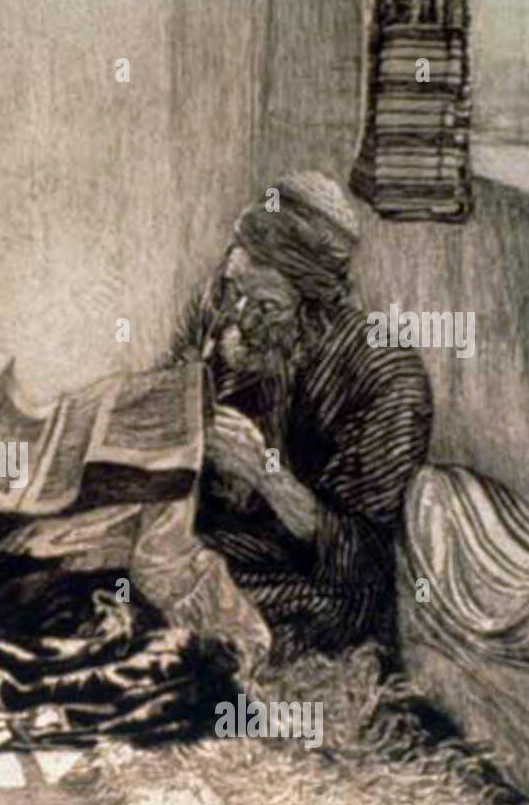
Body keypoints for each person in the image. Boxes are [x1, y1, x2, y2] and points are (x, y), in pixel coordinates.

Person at [169, 171, 433, 661]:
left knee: (187, 647)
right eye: (235, 290)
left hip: (303, 586)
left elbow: (365, 565)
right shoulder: (217, 307)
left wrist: (266, 475)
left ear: (319, 313)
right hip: (198, 546)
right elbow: (166, 402)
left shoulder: (385, 374)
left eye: (267, 307)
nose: (240, 318)